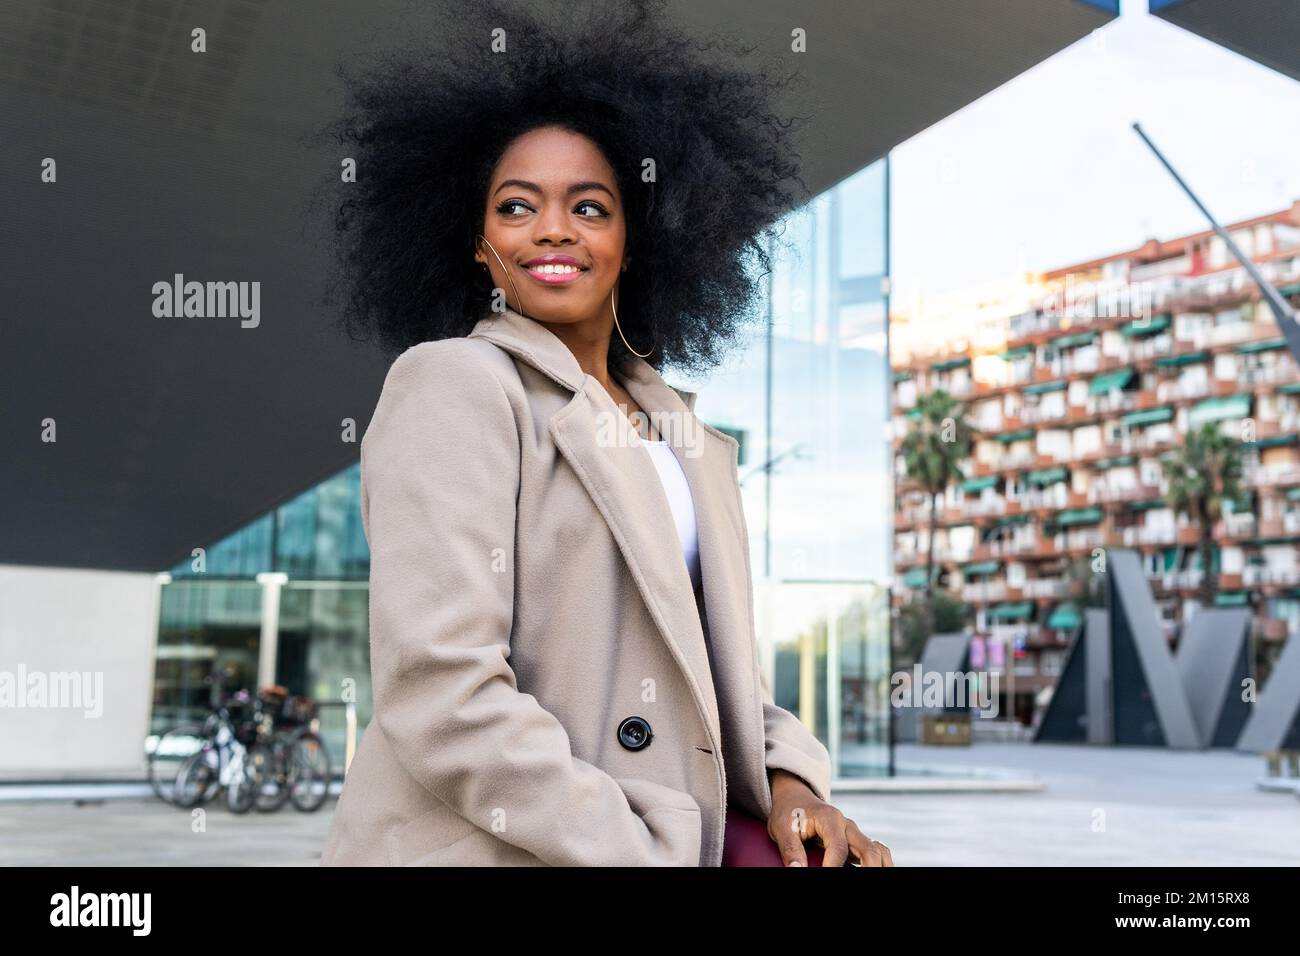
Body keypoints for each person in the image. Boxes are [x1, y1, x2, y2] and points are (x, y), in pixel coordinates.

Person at [317, 0, 893, 868]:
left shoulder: (680, 430)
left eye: (590, 207)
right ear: (478, 243)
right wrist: (639, 850)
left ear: (635, 236)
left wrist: (792, 787)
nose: (553, 228)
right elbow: (444, 691)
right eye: (516, 207)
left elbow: (722, 679)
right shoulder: (458, 385)